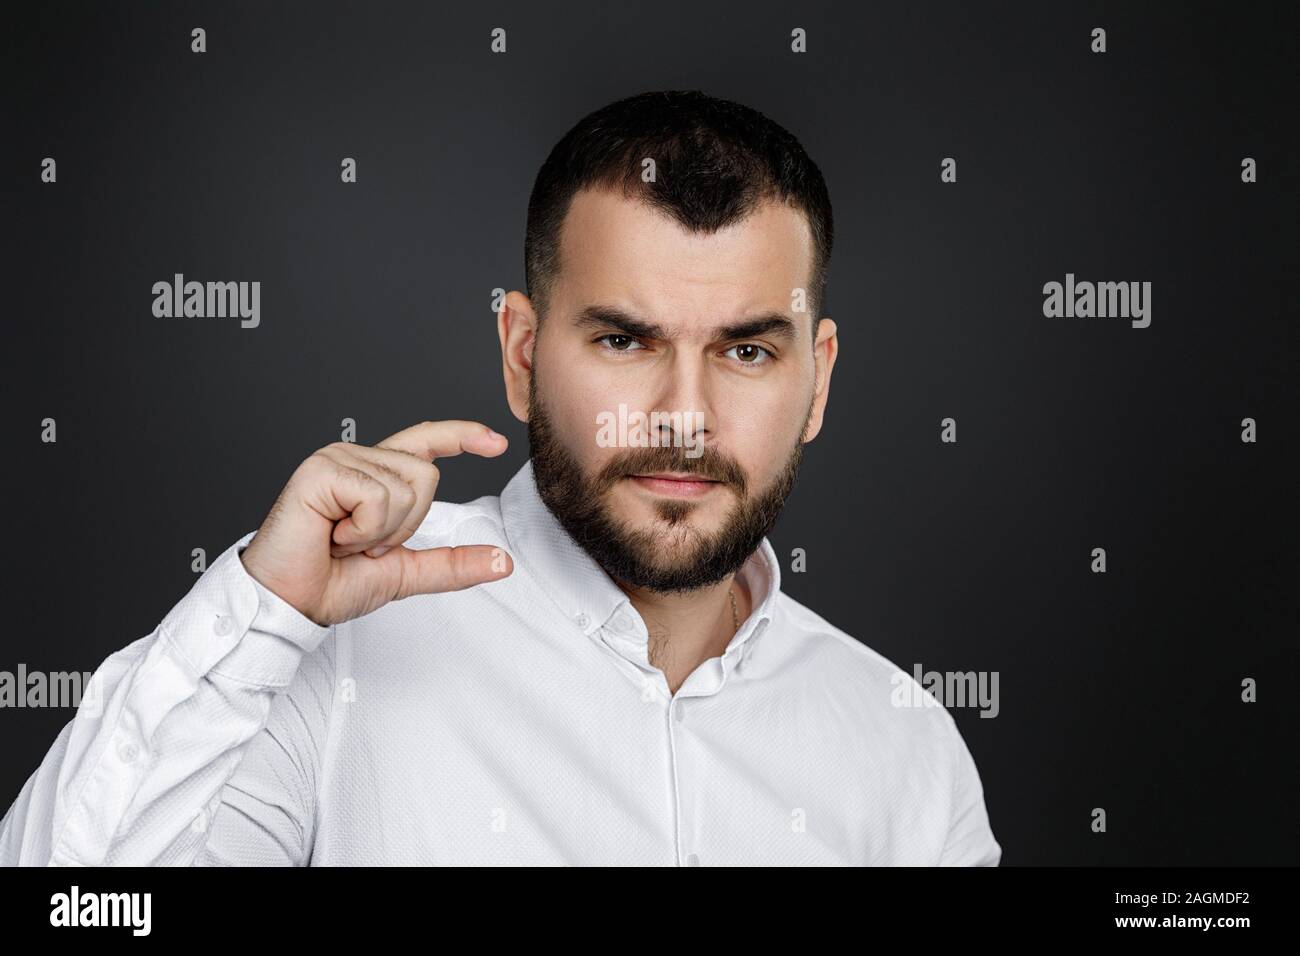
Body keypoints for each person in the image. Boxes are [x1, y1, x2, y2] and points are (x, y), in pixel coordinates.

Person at [0, 90, 1000, 866]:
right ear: (521, 354)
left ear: (817, 381)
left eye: (746, 352)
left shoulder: (901, 747)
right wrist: (264, 615)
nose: (682, 416)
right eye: (622, 337)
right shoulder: (338, 644)